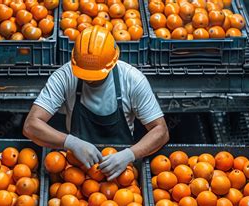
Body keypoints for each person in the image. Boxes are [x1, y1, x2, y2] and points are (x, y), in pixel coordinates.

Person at [23, 25, 169, 180]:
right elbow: (30, 126)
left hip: (121, 170)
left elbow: (161, 131)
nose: (89, 79)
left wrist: (130, 154)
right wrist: (70, 142)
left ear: (112, 63)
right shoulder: (64, 76)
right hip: (77, 169)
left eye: (95, 75)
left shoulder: (133, 80)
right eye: (84, 73)